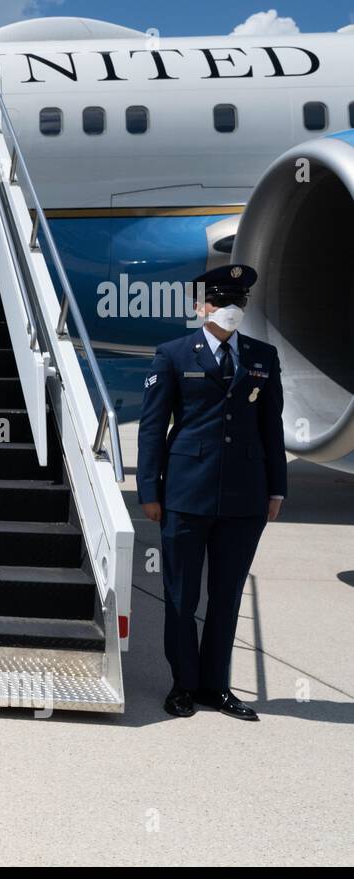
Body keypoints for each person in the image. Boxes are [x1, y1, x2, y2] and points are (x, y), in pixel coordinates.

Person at [137, 263, 286, 721]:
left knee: (227, 595)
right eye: (221, 301)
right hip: (185, 494)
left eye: (238, 302)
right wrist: (149, 489)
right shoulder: (174, 354)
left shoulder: (263, 357)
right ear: (201, 306)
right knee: (182, 595)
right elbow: (151, 427)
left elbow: (271, 426)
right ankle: (183, 684)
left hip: (245, 497)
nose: (230, 309)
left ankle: (215, 686)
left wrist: (276, 487)